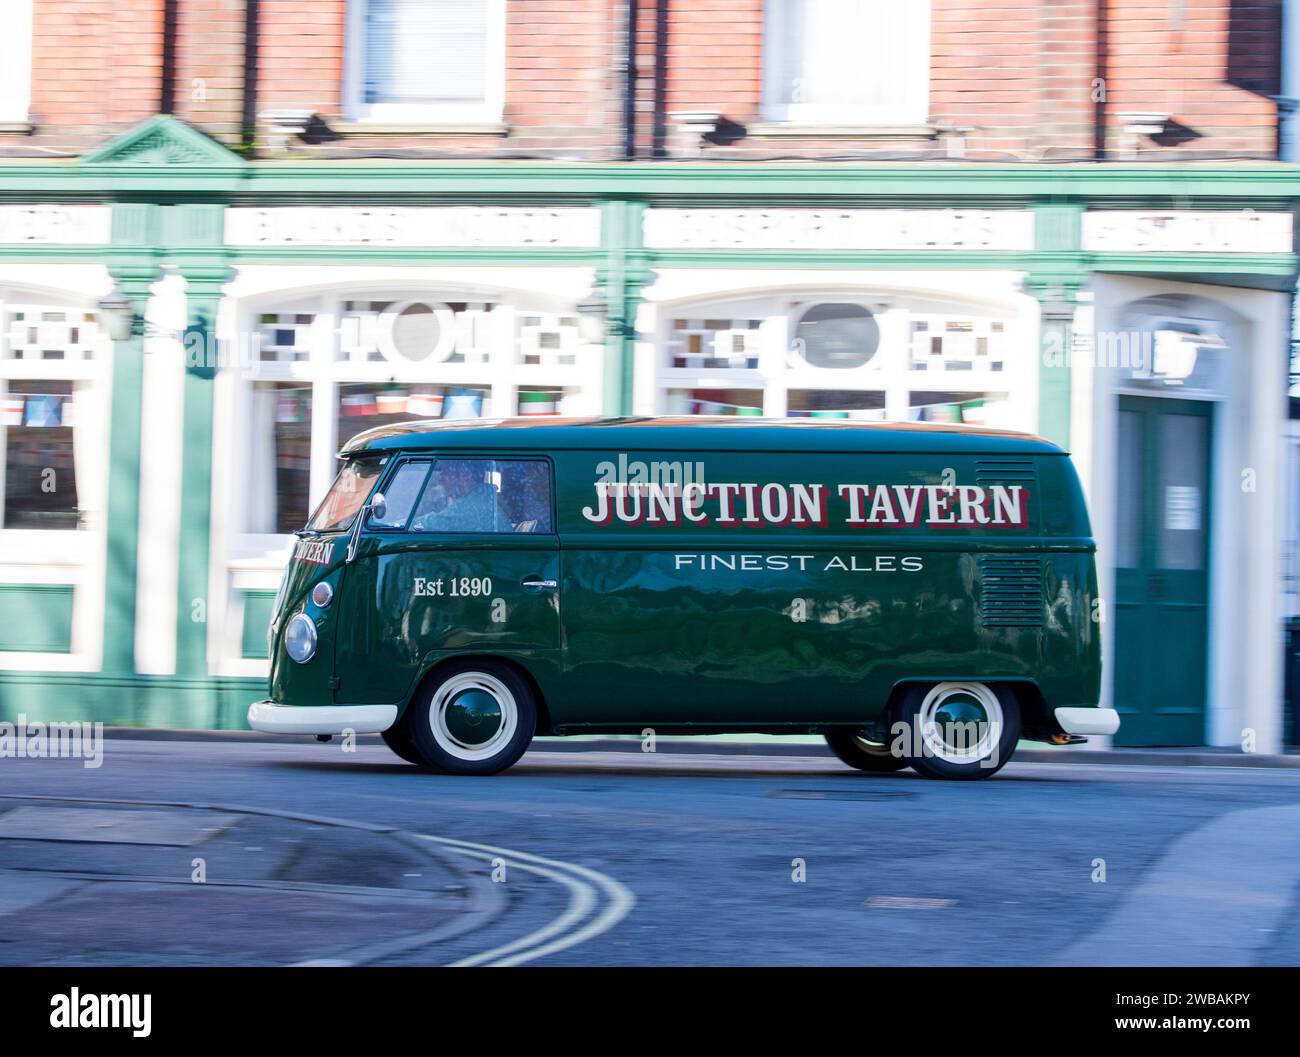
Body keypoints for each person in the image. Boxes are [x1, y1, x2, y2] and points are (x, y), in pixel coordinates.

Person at [411, 461, 499, 532]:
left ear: (465, 476)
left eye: (445, 473)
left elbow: (435, 523)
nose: (440, 479)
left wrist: (401, 525)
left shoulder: (471, 506)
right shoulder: (483, 498)